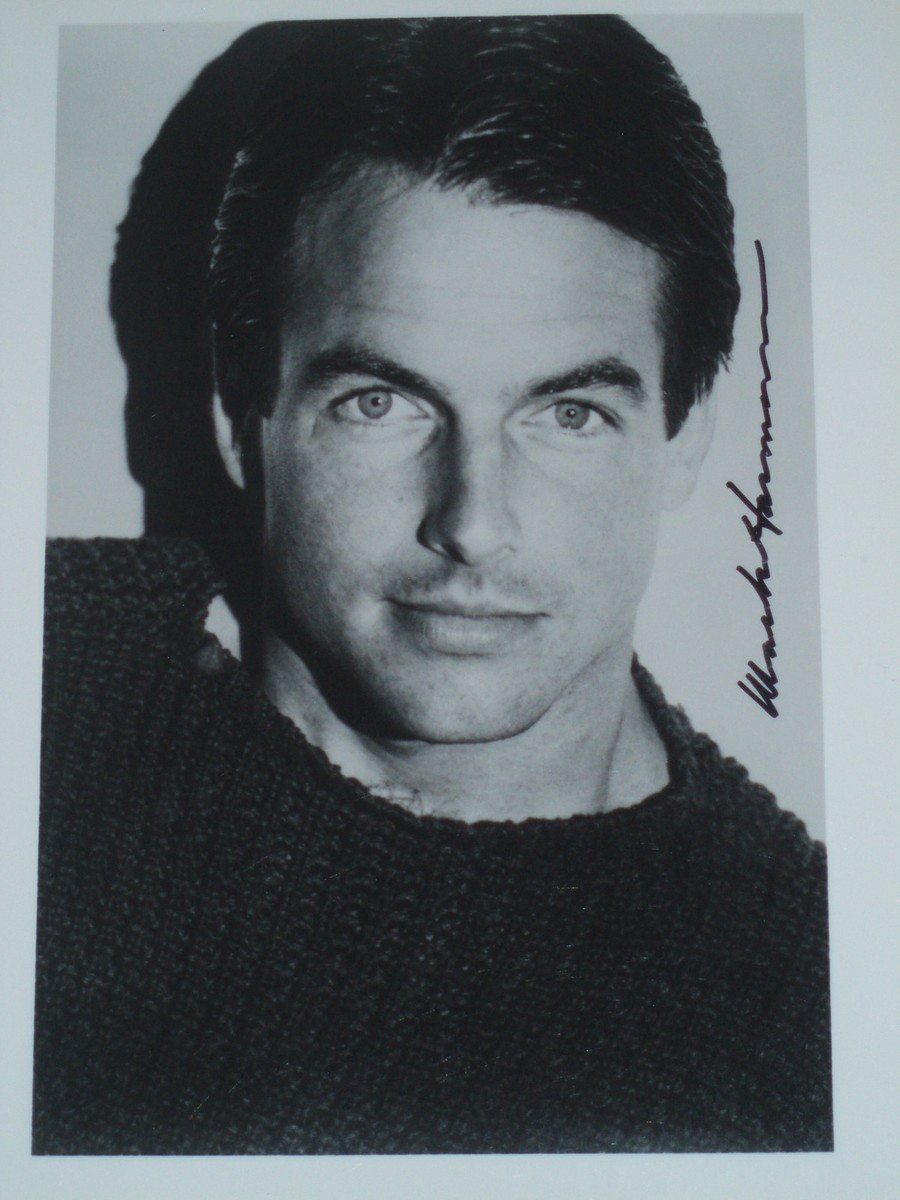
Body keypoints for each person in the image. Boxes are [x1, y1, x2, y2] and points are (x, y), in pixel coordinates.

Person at [32, 16, 831, 1155]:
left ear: (685, 435)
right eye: (381, 403)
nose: (471, 523)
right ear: (240, 414)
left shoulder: (804, 1013)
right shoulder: (40, 695)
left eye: (568, 413)